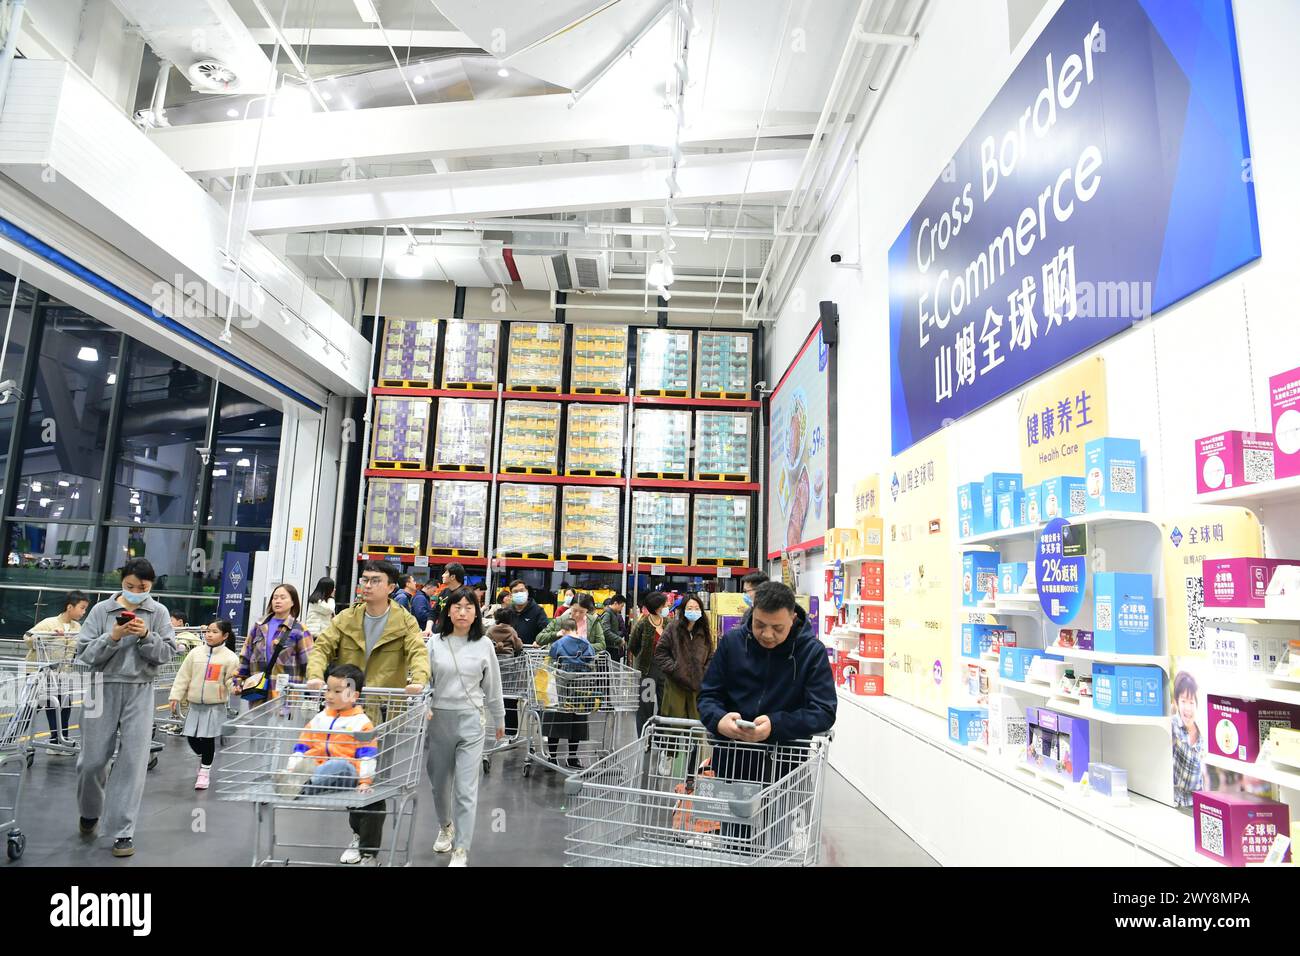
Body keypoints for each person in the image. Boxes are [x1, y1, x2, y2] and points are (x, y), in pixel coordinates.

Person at [305, 559, 430, 865]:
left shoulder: (405, 621)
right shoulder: (346, 618)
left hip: (385, 713)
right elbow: (322, 648)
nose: (367, 585)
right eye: (364, 580)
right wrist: (315, 674)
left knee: (373, 780)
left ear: (390, 587)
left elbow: (417, 652)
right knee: (353, 777)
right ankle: (359, 834)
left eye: (375, 580)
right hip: (348, 714)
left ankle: (368, 850)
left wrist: (419, 680)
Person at [74, 559, 179, 857]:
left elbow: (166, 654)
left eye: (142, 588)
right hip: (100, 689)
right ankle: (89, 812)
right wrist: (114, 637)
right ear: (122, 582)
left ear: (151, 586)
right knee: (92, 760)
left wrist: (146, 636)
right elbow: (84, 655)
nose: (135, 592)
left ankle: (123, 831)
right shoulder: (100, 611)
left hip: (140, 690)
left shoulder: (158, 613)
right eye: (130, 586)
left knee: (133, 762)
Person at [698, 581, 836, 745]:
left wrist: (776, 725)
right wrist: (718, 720)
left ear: (793, 619)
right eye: (760, 624)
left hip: (786, 758)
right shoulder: (732, 642)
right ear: (752, 613)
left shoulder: (811, 652)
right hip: (732, 752)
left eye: (777, 628)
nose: (767, 635)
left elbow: (823, 712)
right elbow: (708, 696)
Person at [426, 588, 505, 867]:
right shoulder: (434, 643)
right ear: (448, 611)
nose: (462, 612)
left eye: (468, 607)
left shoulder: (484, 644)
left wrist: (500, 719)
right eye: (457, 607)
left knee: (465, 789)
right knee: (439, 784)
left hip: (472, 720)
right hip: (438, 721)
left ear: (476, 612)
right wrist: (421, 705)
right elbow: (425, 682)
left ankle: (461, 849)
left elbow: (492, 686)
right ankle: (445, 826)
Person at [168, 619, 240, 790]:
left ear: (225, 636)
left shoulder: (230, 657)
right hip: (194, 704)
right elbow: (183, 676)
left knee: (208, 739)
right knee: (191, 736)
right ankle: (204, 758)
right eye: (208, 630)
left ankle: (204, 772)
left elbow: (230, 680)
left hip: (215, 706)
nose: (209, 634)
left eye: (214, 631)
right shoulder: (196, 653)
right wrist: (175, 695)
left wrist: (235, 688)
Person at [294, 663, 377, 796]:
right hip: (318, 769)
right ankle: (295, 781)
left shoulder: (362, 723)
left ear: (354, 696)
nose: (330, 696)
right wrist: (294, 765)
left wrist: (364, 781)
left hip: (347, 775)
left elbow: (367, 756)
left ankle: (300, 786)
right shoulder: (319, 718)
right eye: (328, 690)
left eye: (337, 691)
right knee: (305, 761)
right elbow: (302, 746)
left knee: (340, 765)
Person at [28, 590, 89, 749]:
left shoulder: (77, 627)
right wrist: (51, 636)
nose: (84, 612)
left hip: (61, 675)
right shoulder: (49, 622)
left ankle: (58, 742)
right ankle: (8, 740)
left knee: (63, 706)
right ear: (70, 607)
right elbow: (28, 638)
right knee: (30, 710)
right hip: (40, 674)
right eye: (82, 608)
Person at [238, 584, 313, 702]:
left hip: (285, 694)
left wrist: (312, 688)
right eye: (275, 597)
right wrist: (238, 680)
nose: (278, 601)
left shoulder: (299, 629)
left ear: (293, 602)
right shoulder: (259, 626)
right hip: (258, 691)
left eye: (283, 598)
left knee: (282, 720)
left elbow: (309, 662)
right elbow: (246, 654)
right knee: (257, 719)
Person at [543, 616, 596, 769]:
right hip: (580, 689)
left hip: (561, 689)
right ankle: (572, 758)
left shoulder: (558, 643)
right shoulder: (587, 644)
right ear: (576, 629)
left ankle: (552, 758)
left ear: (564, 630)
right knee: (577, 720)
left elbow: (551, 662)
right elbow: (592, 663)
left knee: (556, 720)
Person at [655, 595, 714, 721]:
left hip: (698, 686)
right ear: (683, 610)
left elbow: (711, 656)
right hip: (676, 685)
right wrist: (674, 668)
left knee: (697, 728)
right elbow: (660, 652)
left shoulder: (704, 631)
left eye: (697, 608)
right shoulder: (673, 628)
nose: (694, 611)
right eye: (690, 608)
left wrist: (704, 673)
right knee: (674, 728)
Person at [628, 591, 669, 732]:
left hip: (666, 671)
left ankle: (662, 738)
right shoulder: (643, 624)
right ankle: (646, 739)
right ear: (657, 607)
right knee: (646, 706)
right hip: (648, 671)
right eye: (665, 605)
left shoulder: (669, 623)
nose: (667, 606)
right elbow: (632, 646)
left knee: (665, 706)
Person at [1171, 670, 1204, 808]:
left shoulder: (1203, 735)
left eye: (1191, 702)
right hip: (1173, 803)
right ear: (1177, 702)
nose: (1187, 708)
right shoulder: (1172, 726)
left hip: (1195, 805)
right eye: (1183, 701)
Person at [535, 592, 606, 652]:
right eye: (574, 610)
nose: (577, 614)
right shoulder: (559, 621)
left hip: (586, 664)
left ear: (587, 610)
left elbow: (602, 645)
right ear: (570, 607)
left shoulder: (593, 622)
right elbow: (539, 638)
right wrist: (557, 634)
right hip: (559, 664)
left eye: (582, 612)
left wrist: (581, 646)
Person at [493, 580, 549, 646]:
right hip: (509, 651)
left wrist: (539, 641)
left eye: (522, 590)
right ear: (511, 595)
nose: (519, 593)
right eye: (515, 591)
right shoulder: (507, 611)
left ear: (527, 592)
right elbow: (498, 628)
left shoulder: (538, 611)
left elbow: (546, 630)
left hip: (531, 652)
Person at [596, 594, 629, 663]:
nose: (622, 608)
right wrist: (619, 639)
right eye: (621, 606)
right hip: (609, 648)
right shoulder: (608, 614)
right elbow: (605, 631)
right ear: (615, 603)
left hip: (612, 647)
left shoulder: (613, 613)